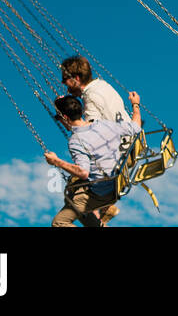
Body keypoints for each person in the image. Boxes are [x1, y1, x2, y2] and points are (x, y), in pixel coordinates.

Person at [44, 90, 143, 227]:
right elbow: (135, 127)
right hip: (119, 182)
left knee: (59, 222)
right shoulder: (103, 124)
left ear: (65, 117)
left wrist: (56, 161)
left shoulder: (76, 141)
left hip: (101, 191)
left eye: (60, 119)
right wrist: (135, 104)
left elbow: (83, 172)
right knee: (71, 193)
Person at [59, 55, 126, 123]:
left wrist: (63, 114)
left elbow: (92, 130)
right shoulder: (103, 85)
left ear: (76, 78)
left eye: (64, 79)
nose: (62, 82)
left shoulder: (89, 96)